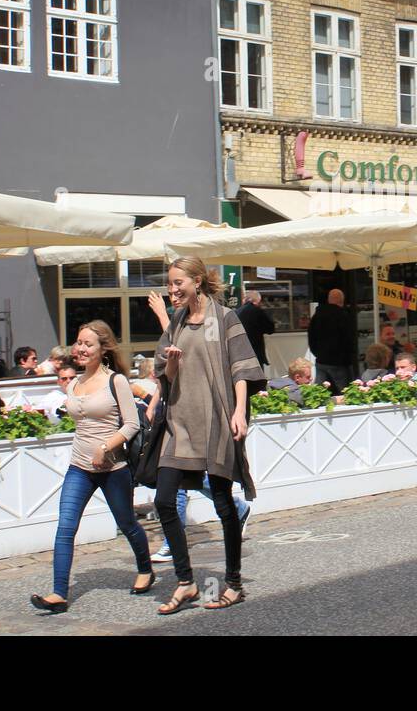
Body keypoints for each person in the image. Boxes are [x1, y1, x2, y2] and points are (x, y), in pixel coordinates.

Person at [152, 256, 263, 613]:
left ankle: (232, 582)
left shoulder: (224, 317)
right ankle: (185, 582)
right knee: (164, 501)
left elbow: (242, 366)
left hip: (216, 421)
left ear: (197, 281)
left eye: (177, 283)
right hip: (180, 423)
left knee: (222, 503)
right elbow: (166, 374)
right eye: (169, 284)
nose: (172, 290)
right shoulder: (176, 322)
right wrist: (171, 360)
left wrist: (239, 411)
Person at [30, 321, 154, 614]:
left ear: (103, 349)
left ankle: (146, 569)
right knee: (65, 527)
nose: (80, 349)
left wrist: (105, 447)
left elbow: (132, 424)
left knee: (127, 523)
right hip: (79, 467)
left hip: (113, 469)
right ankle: (59, 593)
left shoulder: (117, 381)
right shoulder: (73, 383)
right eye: (78, 342)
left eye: (88, 344)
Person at [308, 288, 354, 394]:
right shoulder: (343, 316)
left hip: (321, 361)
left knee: (320, 394)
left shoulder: (317, 316)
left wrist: (318, 353)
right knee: (345, 393)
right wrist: (349, 357)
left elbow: (311, 338)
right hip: (339, 363)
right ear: (342, 301)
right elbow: (348, 340)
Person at [235, 290, 277, 372]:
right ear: (257, 301)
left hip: (239, 353)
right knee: (258, 380)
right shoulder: (258, 311)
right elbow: (270, 329)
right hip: (255, 354)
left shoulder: (236, 312)